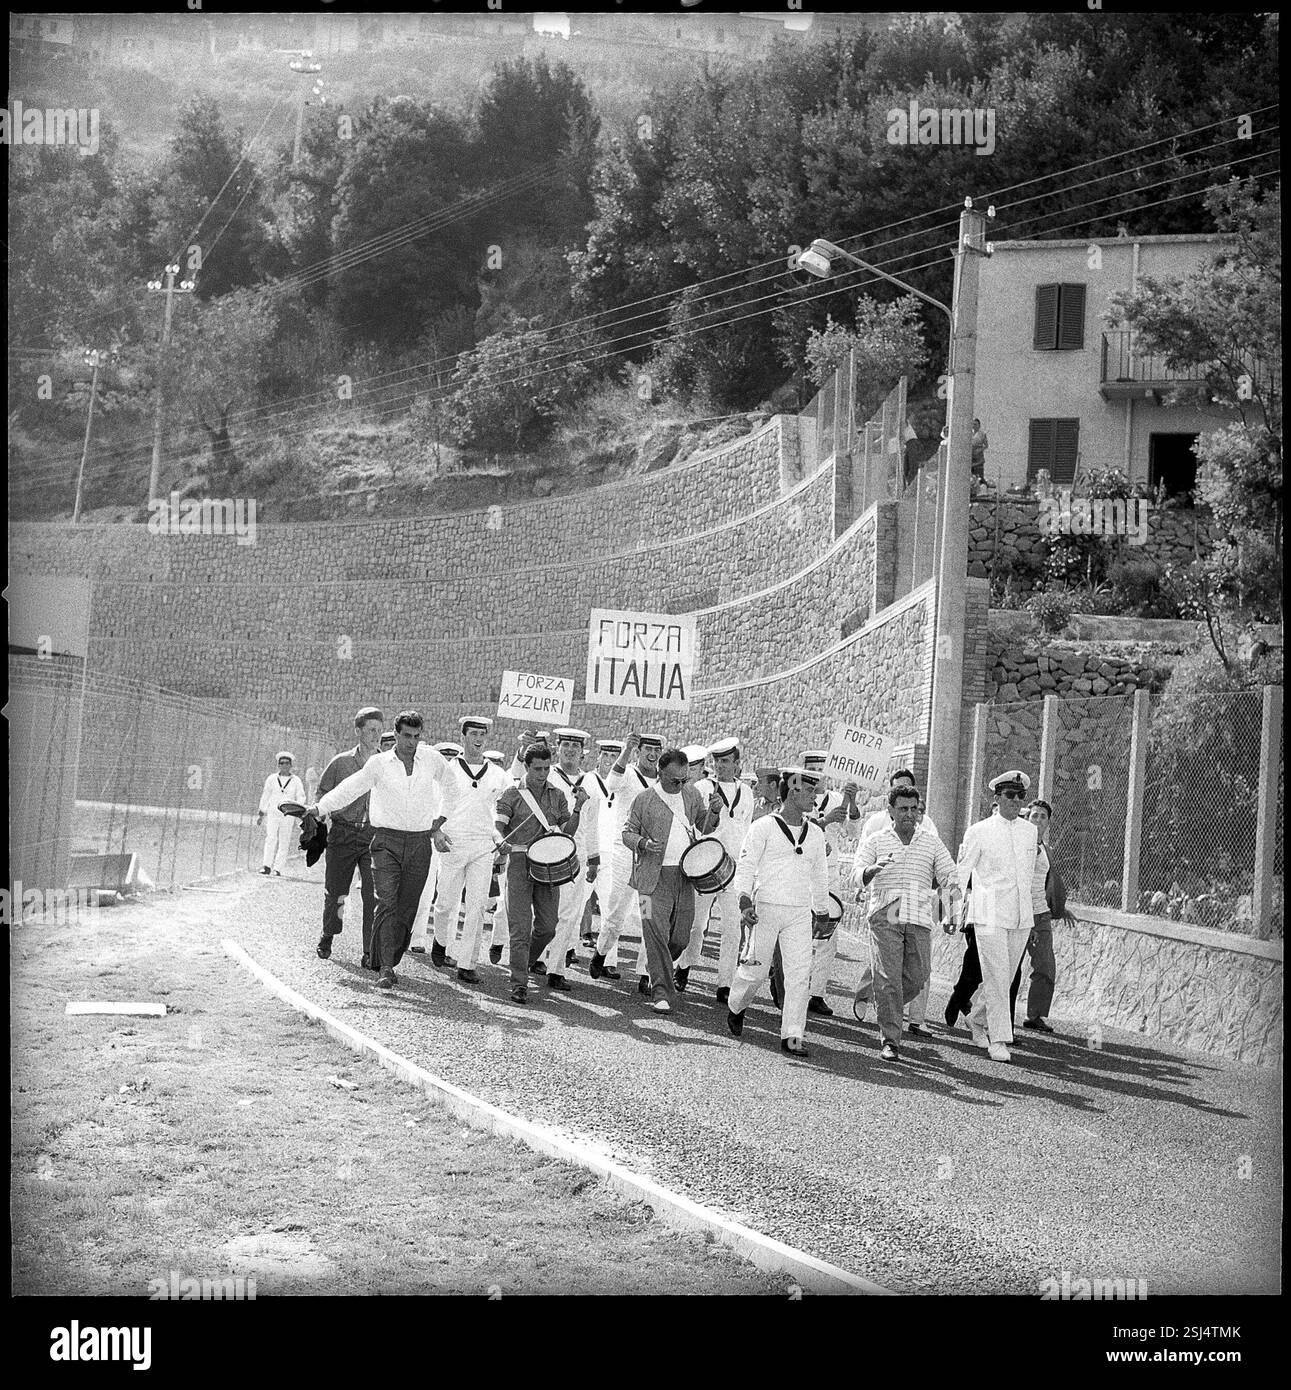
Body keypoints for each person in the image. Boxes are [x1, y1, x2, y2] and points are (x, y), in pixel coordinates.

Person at [304, 712, 453, 991]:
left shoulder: (432, 760)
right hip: (378, 840)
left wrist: (440, 820)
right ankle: (380, 963)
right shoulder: (375, 763)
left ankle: (386, 956)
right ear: (395, 735)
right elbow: (349, 788)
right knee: (378, 900)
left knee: (405, 908)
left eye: (416, 736)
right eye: (406, 736)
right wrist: (320, 808)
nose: (411, 742)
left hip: (418, 843)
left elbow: (452, 786)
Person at [726, 768, 830, 1057]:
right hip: (765, 909)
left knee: (799, 975)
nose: (814, 796)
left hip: (799, 912)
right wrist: (744, 901)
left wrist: (822, 912)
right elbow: (745, 867)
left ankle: (792, 1036)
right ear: (793, 791)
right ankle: (736, 1005)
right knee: (755, 972)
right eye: (809, 791)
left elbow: (820, 876)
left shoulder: (816, 834)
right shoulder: (763, 828)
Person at [852, 786, 960, 1061]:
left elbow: (949, 875)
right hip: (887, 912)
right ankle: (891, 1039)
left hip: (919, 914)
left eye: (915, 809)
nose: (910, 815)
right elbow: (856, 875)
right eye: (903, 809)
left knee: (918, 976)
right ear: (890, 811)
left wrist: (950, 910)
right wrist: (871, 870)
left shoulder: (931, 841)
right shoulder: (877, 840)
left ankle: (883, 998)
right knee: (889, 976)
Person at [620, 746, 719, 1014]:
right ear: (661, 773)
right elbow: (626, 833)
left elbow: (705, 826)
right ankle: (661, 991)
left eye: (684, 779)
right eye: (675, 780)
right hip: (649, 882)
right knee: (655, 935)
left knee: (681, 938)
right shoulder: (643, 799)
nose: (680, 784)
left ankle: (659, 967)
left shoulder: (691, 793)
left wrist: (716, 812)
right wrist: (642, 843)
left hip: (684, 877)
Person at [951, 769, 1038, 1062]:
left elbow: (1031, 877)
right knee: (999, 976)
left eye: (1021, 796)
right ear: (997, 798)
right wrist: (949, 912)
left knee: (1007, 976)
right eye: (1010, 795)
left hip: (1020, 915)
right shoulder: (979, 831)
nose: (1016, 801)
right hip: (988, 913)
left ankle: (976, 1018)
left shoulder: (1030, 831)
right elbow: (959, 875)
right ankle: (999, 1039)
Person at [493, 742, 587, 1004]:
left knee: (547, 927)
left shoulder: (557, 794)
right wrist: (501, 841)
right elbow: (497, 827)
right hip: (520, 863)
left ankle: (527, 961)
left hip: (549, 865)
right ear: (526, 766)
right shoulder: (511, 793)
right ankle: (519, 983)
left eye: (546, 768)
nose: (542, 773)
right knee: (520, 928)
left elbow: (567, 830)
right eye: (537, 768)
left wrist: (578, 807)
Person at [429, 716, 513, 984]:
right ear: (463, 736)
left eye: (482, 734)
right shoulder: (447, 768)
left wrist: (498, 838)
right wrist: (436, 831)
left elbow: (501, 811)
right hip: (452, 842)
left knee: (476, 906)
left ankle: (467, 963)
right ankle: (441, 941)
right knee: (445, 905)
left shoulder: (498, 775)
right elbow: (434, 803)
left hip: (482, 846)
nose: (478, 739)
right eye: (474, 733)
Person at [855, 773, 939, 1031]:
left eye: (914, 807)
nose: (910, 813)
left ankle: (887, 1002)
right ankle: (898, 1021)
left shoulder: (926, 828)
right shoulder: (875, 824)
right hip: (888, 905)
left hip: (917, 903)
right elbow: (861, 863)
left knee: (915, 970)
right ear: (891, 802)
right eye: (899, 789)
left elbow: (938, 865)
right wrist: (865, 881)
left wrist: (945, 901)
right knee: (890, 963)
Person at [674, 736, 753, 1003]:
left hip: (733, 869)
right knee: (697, 925)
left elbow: (746, 829)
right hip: (706, 865)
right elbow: (697, 827)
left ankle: (725, 984)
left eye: (727, 761)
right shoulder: (701, 786)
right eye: (718, 761)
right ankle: (684, 966)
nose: (722, 766)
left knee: (732, 928)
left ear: (737, 763)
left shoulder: (748, 792)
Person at [589, 732, 663, 988]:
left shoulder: (664, 781)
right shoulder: (629, 773)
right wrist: (625, 749)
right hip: (624, 855)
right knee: (616, 913)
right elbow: (611, 783)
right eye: (647, 750)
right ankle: (601, 952)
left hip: (650, 859)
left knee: (649, 916)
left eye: (656, 750)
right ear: (639, 751)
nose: (652, 755)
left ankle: (645, 973)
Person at [314, 707, 383, 964]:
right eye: (371, 730)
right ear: (358, 731)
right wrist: (321, 816)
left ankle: (369, 951)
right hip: (342, 834)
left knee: (373, 896)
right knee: (336, 892)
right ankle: (327, 935)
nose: (376, 735)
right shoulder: (340, 762)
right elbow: (322, 793)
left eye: (379, 730)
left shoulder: (386, 764)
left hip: (373, 838)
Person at [540, 727, 603, 992]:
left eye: (575, 748)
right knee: (544, 913)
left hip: (575, 854)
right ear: (557, 748)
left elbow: (591, 825)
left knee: (569, 914)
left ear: (582, 753)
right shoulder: (545, 774)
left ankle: (556, 968)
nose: (570, 751)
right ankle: (539, 957)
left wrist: (593, 858)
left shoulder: (590, 783)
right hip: (546, 850)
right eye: (566, 745)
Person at [1020, 799, 1064, 1034]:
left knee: (1046, 965)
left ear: (1048, 822)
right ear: (1027, 819)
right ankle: (992, 1015)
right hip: (1019, 913)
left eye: (1043, 816)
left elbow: (1050, 882)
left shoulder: (1046, 849)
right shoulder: (1019, 846)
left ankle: (1034, 1015)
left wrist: (1059, 908)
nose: (1038, 820)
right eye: (1034, 815)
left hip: (1041, 913)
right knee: (1009, 967)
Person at [257, 752, 305, 876]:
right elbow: (266, 795)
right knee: (271, 838)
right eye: (282, 763)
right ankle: (266, 866)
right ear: (278, 765)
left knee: (284, 840)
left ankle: (277, 868)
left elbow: (300, 796)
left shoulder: (296, 780)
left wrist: (297, 811)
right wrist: (262, 811)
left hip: (287, 815)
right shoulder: (272, 779)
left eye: (287, 763)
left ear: (291, 765)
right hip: (273, 813)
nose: (285, 766)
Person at [971, 418, 988, 486]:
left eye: (975, 424)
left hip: (978, 456)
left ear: (979, 425)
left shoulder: (982, 434)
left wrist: (979, 450)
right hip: (970, 456)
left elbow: (986, 445)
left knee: (979, 475)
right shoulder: (969, 433)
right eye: (973, 424)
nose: (974, 426)